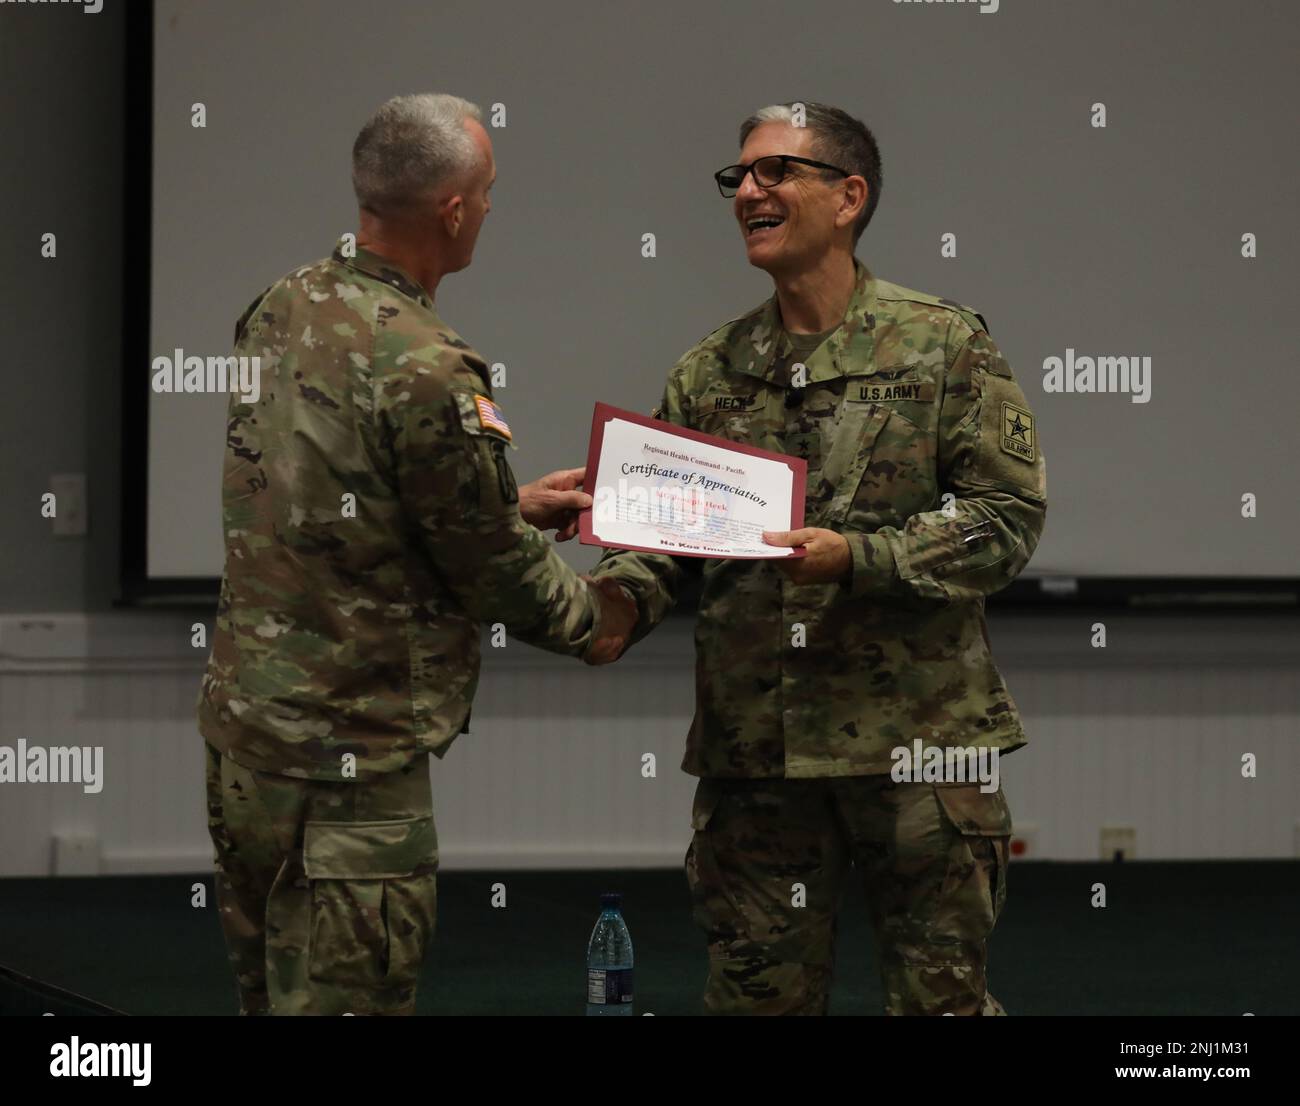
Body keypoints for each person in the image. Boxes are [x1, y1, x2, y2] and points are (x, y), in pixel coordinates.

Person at [592, 101, 1046, 1015]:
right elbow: (661, 549)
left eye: (774, 173)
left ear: (849, 197)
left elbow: (1006, 520)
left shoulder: (946, 344)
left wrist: (859, 559)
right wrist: (603, 605)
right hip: (758, 764)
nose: (747, 192)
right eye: (738, 178)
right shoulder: (709, 371)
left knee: (942, 1006)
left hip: (919, 756)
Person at [197, 92, 634, 1015]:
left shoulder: (281, 306)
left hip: (249, 744)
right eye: (490, 193)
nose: (488, 211)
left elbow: (324, 503)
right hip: (353, 761)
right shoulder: (430, 364)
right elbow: (489, 565)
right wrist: (598, 619)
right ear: (454, 210)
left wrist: (505, 503)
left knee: (266, 997)